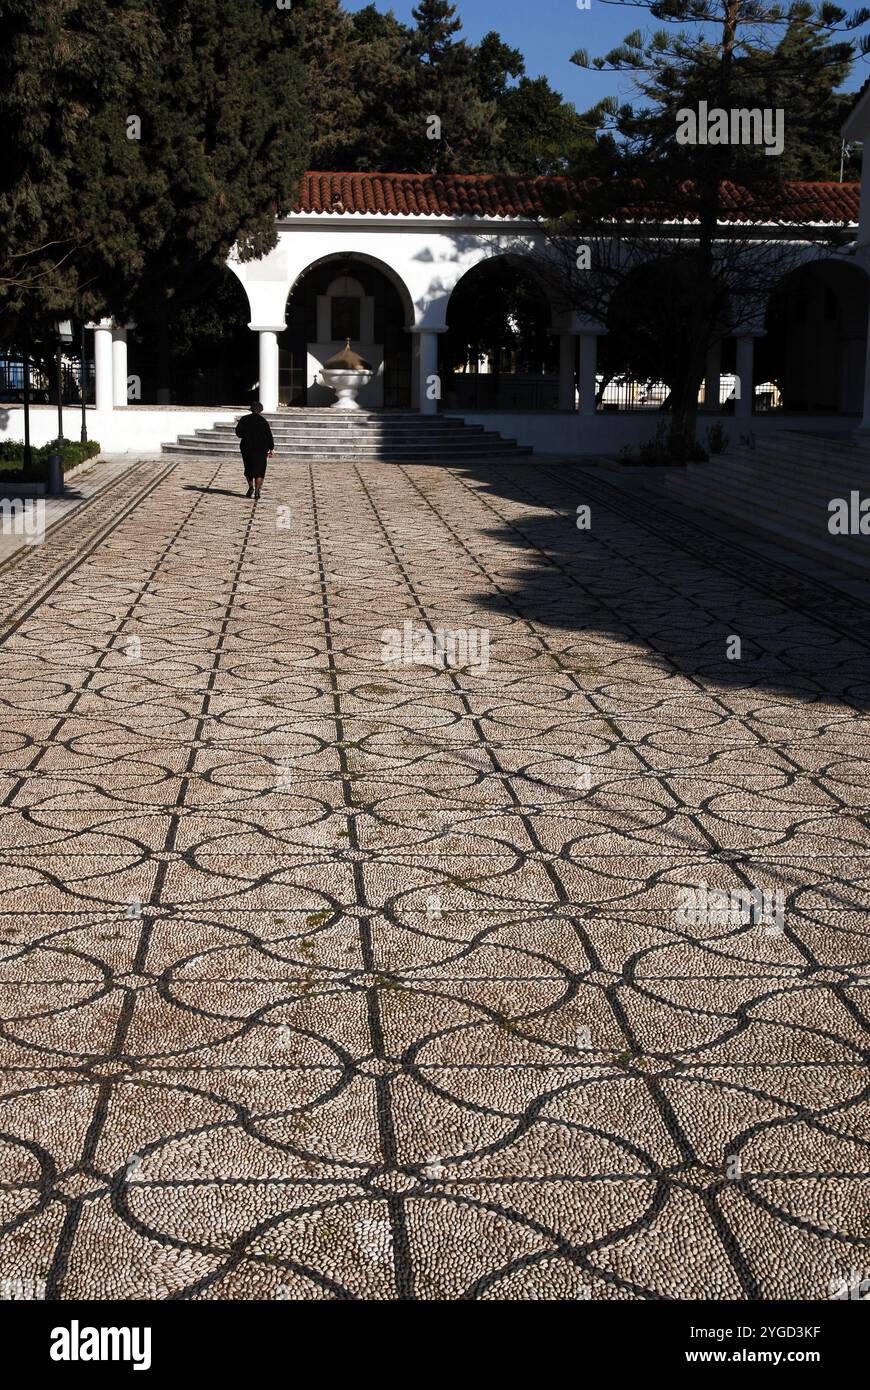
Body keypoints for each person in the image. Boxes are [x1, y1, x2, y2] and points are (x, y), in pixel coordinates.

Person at [234, 401, 274, 500]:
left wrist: (246, 435)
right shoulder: (263, 421)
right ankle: (257, 491)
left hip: (246, 447)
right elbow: (269, 435)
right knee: (259, 470)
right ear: (260, 410)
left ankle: (251, 487)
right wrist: (271, 448)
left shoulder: (244, 419)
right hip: (260, 449)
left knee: (248, 468)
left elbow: (238, 433)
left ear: (251, 409)